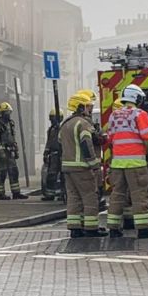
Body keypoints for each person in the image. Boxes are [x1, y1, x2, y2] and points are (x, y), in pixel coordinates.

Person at [105, 84, 148, 239]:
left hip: (117, 164)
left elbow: (110, 137)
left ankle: (113, 228)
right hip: (135, 164)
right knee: (139, 196)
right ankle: (142, 229)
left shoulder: (114, 115)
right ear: (136, 98)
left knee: (117, 195)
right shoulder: (139, 114)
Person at [59, 92, 104, 237]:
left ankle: (75, 228)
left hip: (67, 167)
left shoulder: (65, 124)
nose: (89, 109)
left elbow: (61, 142)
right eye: (87, 106)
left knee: (73, 197)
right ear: (80, 107)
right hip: (82, 167)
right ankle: (91, 228)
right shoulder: (83, 123)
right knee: (90, 196)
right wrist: (93, 164)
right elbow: (86, 144)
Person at [0, 102, 27, 200]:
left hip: (10, 152)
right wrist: (0, 152)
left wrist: (16, 149)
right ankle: (1, 194)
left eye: (9, 112)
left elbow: (12, 138)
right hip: (0, 153)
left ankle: (16, 193)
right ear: (1, 113)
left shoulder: (10, 124)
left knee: (14, 171)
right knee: (1, 173)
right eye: (6, 112)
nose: (8, 114)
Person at [42, 106, 63, 201]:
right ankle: (49, 194)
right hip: (53, 155)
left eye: (53, 117)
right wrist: (45, 153)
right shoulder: (51, 130)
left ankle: (61, 194)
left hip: (61, 154)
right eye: (50, 118)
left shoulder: (62, 128)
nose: (51, 120)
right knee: (51, 175)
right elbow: (49, 142)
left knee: (62, 175)